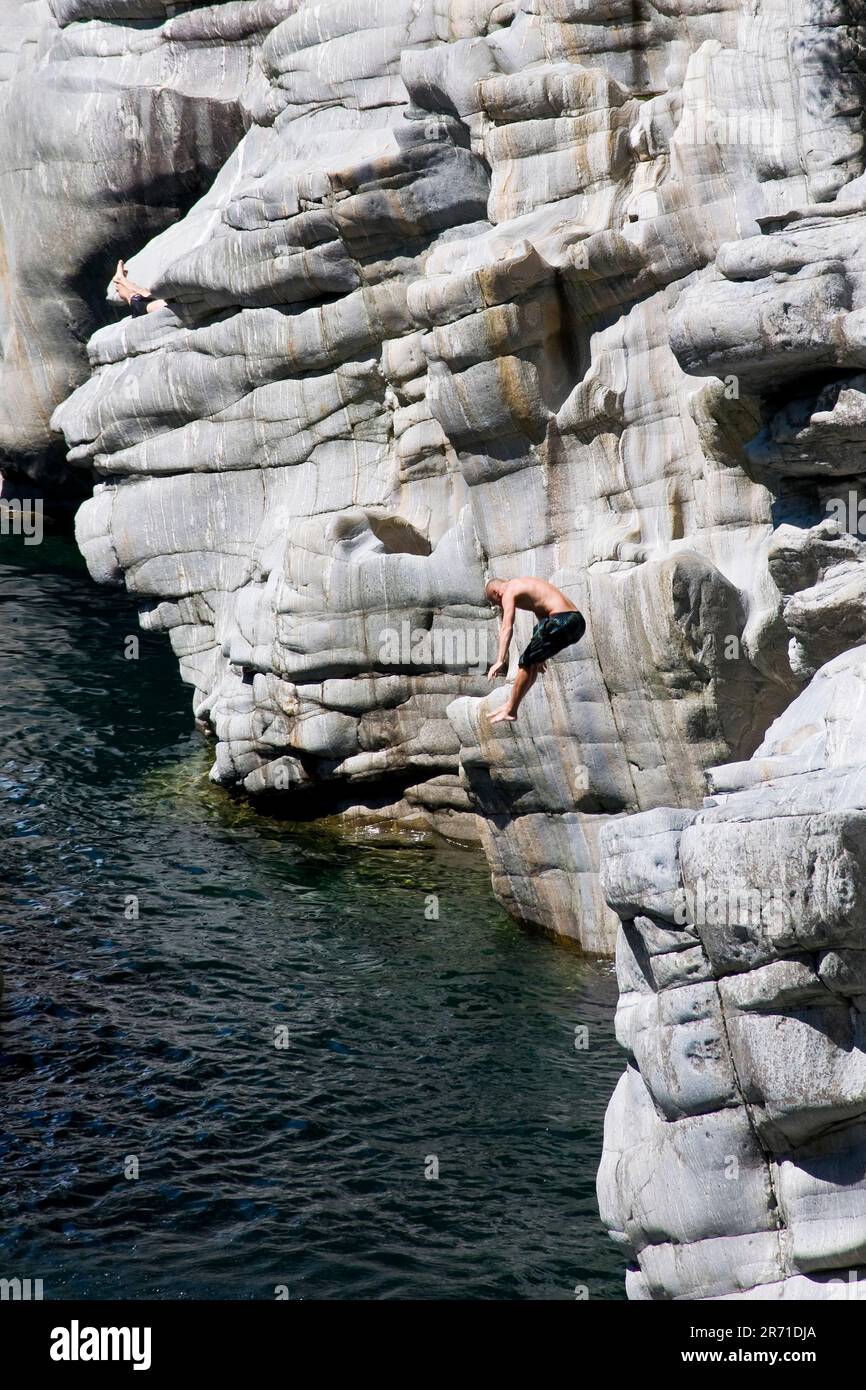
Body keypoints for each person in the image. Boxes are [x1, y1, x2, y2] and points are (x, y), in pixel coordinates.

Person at [485, 576, 585, 723]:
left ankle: (511, 709)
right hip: (577, 623)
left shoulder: (508, 591)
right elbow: (543, 619)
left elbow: (507, 626)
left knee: (525, 661)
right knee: (532, 659)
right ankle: (512, 706)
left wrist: (500, 660)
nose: (500, 606)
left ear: (496, 592)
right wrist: (541, 655)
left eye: (496, 602)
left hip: (563, 619)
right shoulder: (525, 584)